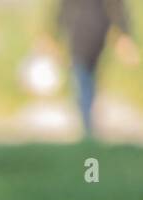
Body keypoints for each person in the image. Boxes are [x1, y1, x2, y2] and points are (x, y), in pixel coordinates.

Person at [54, 0, 139, 137]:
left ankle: (87, 128)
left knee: (84, 80)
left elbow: (116, 7)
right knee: (84, 79)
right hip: (90, 33)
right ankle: (87, 126)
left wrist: (124, 34)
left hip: (88, 34)